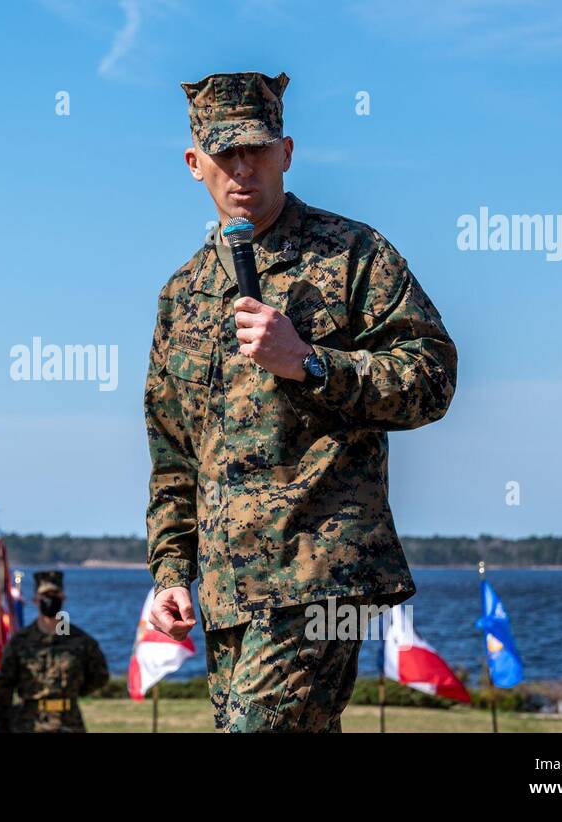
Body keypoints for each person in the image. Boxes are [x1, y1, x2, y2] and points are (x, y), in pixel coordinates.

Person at [145, 71, 458, 732]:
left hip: (323, 580)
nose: (241, 168)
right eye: (223, 153)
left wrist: (311, 363)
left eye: (256, 149)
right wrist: (172, 571)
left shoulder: (352, 256)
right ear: (192, 162)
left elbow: (432, 378)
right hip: (229, 599)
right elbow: (173, 453)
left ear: (286, 151)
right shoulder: (182, 294)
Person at [0, 571, 109, 733]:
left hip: (68, 722)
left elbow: (100, 676)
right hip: (29, 722)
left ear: (63, 599)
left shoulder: (81, 641)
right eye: (45, 595)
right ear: (35, 600)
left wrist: (73, 690)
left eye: (55, 594)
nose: (50, 599)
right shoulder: (19, 642)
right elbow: (4, 690)